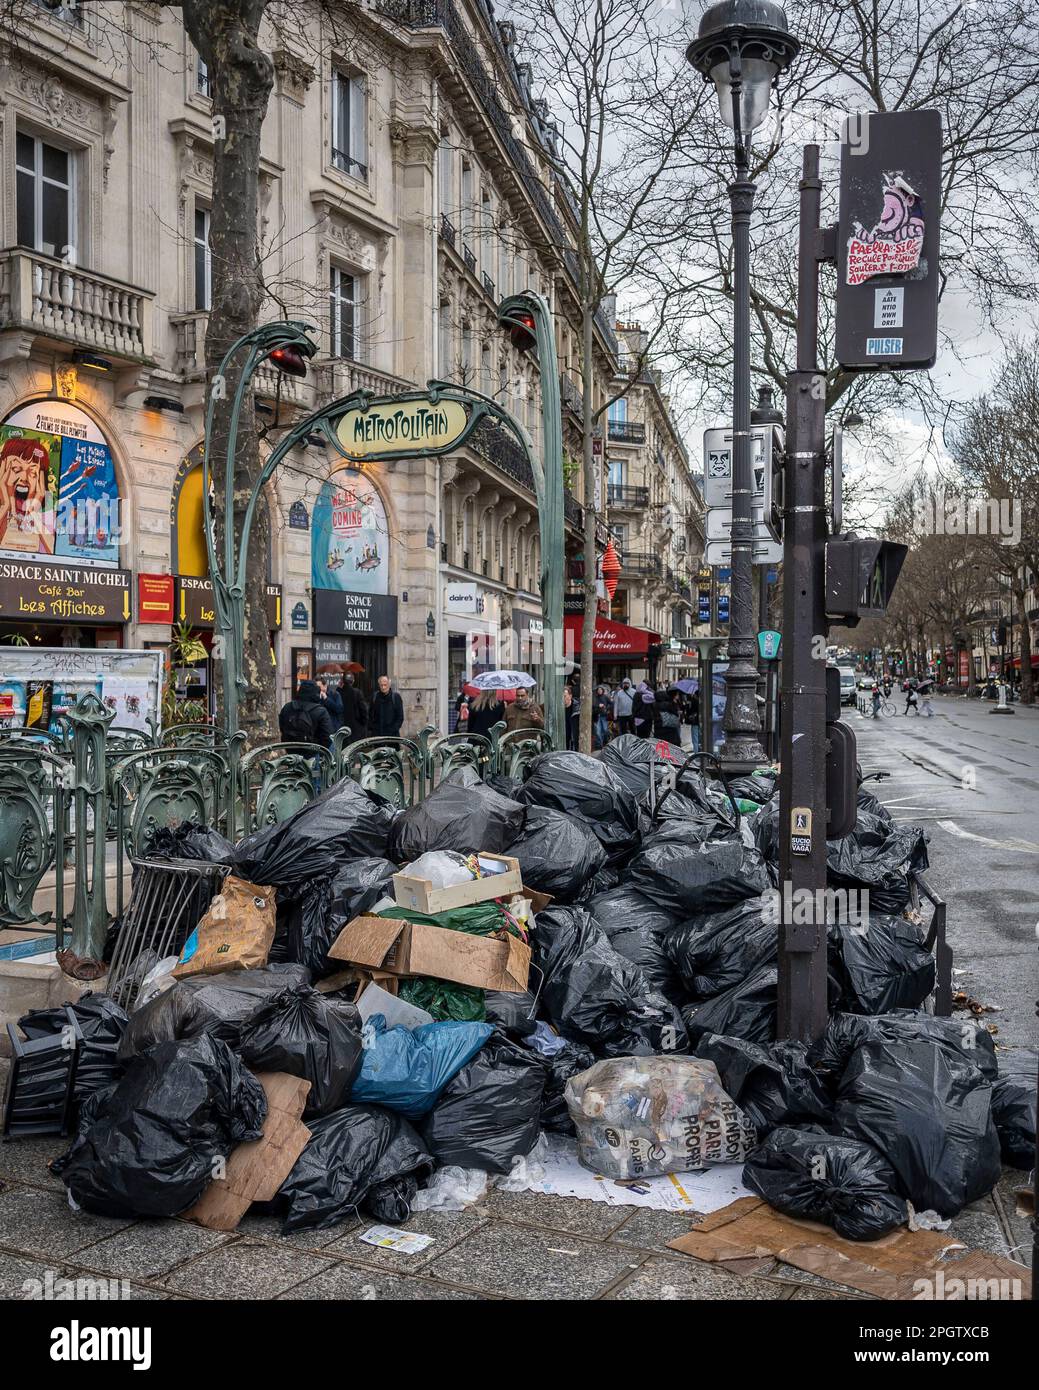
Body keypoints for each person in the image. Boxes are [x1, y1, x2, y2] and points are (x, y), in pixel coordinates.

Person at [279, 679, 333, 748]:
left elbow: (280, 727)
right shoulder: (321, 711)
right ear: (316, 692)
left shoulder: (287, 707)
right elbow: (327, 737)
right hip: (312, 752)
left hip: (289, 751)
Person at [338, 673, 369, 743]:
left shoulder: (339, 692)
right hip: (356, 728)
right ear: (353, 681)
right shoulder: (357, 693)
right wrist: (364, 724)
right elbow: (363, 710)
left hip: (343, 729)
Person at [593, 684, 611, 749]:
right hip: (596, 716)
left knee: (605, 730)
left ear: (602, 691)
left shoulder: (605, 697)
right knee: (598, 732)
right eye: (598, 690)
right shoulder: (594, 697)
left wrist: (607, 709)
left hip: (604, 716)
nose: (599, 691)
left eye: (600, 690)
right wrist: (598, 706)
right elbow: (592, 706)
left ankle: (605, 742)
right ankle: (599, 745)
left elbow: (611, 704)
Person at [563, 684, 580, 750]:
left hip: (574, 738)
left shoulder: (577, 708)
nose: (563, 699)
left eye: (564, 696)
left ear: (570, 696)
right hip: (563, 738)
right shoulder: (558, 709)